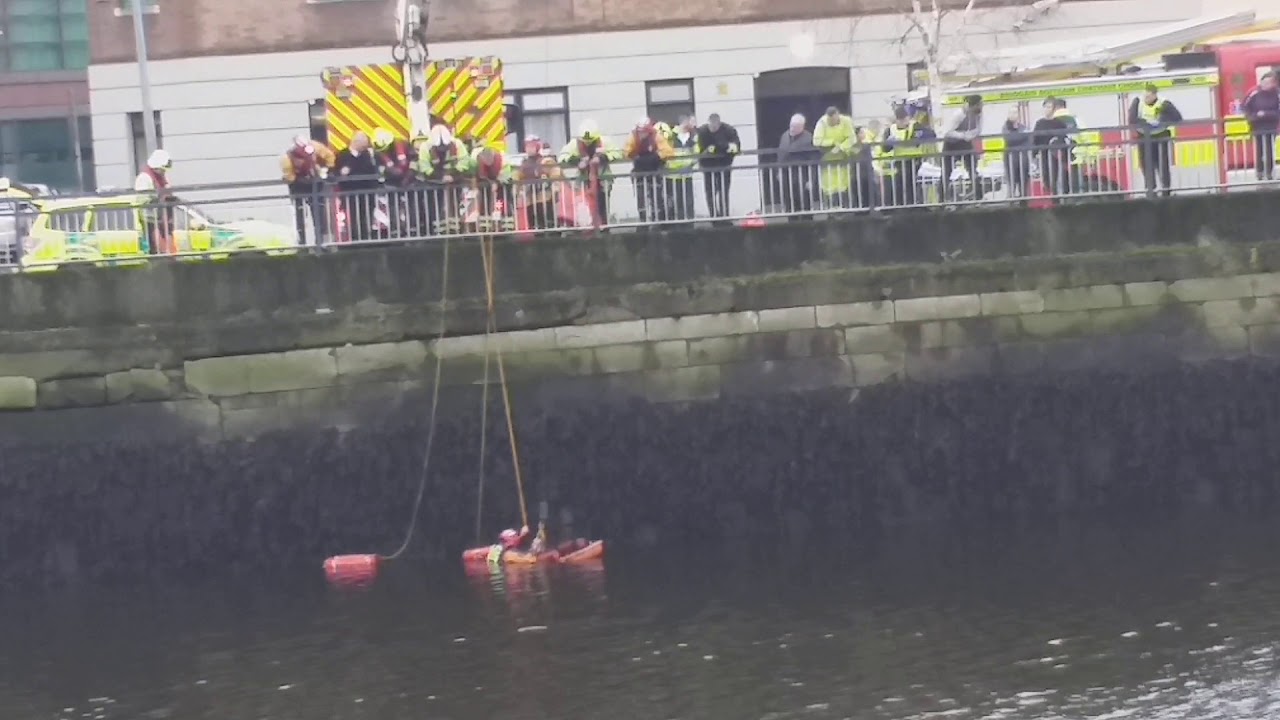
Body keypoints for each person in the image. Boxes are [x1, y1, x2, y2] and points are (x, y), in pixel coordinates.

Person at [558, 120, 620, 228]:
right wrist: (577, 161)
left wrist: (602, 158)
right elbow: (562, 157)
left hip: (602, 180)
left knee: (602, 206)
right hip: (583, 181)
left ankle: (603, 227)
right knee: (583, 206)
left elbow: (617, 153)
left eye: (590, 141)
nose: (587, 143)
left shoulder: (604, 141)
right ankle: (586, 228)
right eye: (585, 141)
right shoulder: (575, 144)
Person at [1128, 83, 1183, 197]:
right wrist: (1143, 122)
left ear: (1154, 95)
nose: (1146, 98)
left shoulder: (1164, 103)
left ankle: (1166, 191)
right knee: (1146, 166)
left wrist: (1163, 119)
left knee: (1162, 165)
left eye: (1148, 96)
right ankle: (1150, 191)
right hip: (1144, 138)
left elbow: (1177, 118)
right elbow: (1131, 119)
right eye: (1145, 96)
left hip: (1160, 136)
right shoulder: (1138, 102)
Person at [281, 136, 335, 246]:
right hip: (311, 184)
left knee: (303, 215)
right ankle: (317, 241)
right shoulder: (315, 147)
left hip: (300, 185)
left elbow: (288, 175)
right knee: (316, 214)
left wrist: (292, 179)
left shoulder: (288, 155)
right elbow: (330, 157)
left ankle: (305, 242)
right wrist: (326, 170)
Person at [416, 124, 467, 234]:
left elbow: (464, 161)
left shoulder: (457, 144)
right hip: (433, 183)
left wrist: (453, 175)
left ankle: (454, 230)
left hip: (454, 181)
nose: (442, 150)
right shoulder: (425, 147)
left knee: (454, 205)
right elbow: (424, 167)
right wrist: (440, 177)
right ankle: (437, 231)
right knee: (434, 207)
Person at [624, 117, 675, 224]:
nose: (641, 134)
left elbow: (669, 152)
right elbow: (626, 152)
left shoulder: (656, 136)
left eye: (643, 132)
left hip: (654, 169)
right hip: (639, 171)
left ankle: (658, 220)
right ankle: (643, 221)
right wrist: (635, 157)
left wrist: (656, 156)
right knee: (641, 198)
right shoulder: (633, 137)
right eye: (639, 132)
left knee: (656, 196)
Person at [333, 131, 381, 241]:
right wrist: (342, 173)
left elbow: (373, 170)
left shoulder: (367, 155)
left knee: (367, 216)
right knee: (353, 218)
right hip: (350, 193)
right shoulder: (342, 155)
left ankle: (366, 238)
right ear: (356, 142)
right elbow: (336, 173)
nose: (366, 146)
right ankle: (355, 239)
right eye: (364, 143)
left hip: (367, 193)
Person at [880, 106, 929, 207]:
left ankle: (914, 205)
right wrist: (889, 142)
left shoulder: (915, 126)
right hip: (899, 161)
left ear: (908, 117)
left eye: (905, 119)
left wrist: (900, 142)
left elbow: (916, 141)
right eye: (900, 120)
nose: (903, 122)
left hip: (914, 160)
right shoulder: (891, 129)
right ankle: (900, 206)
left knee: (910, 184)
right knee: (899, 184)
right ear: (896, 119)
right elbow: (884, 148)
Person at [941, 94, 985, 203]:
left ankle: (978, 197)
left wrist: (970, 135)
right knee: (946, 172)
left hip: (966, 142)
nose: (982, 107)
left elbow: (979, 129)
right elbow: (948, 131)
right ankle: (941, 198)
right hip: (951, 144)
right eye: (980, 104)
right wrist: (963, 135)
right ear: (973, 105)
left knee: (972, 168)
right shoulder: (959, 114)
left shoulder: (979, 115)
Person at [696, 113, 740, 218]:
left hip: (724, 164)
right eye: (711, 127)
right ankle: (713, 216)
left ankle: (724, 215)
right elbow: (699, 150)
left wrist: (730, 148)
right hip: (708, 166)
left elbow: (736, 146)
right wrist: (706, 152)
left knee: (724, 191)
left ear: (719, 124)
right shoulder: (703, 132)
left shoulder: (729, 130)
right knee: (710, 192)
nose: (712, 129)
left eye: (715, 127)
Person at [516, 135, 565, 230]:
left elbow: (556, 173)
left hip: (544, 196)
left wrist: (555, 187)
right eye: (527, 147)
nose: (529, 149)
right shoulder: (524, 163)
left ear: (537, 147)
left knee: (547, 218)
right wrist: (518, 191)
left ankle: (551, 233)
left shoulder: (546, 160)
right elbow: (518, 177)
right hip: (529, 197)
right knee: (532, 220)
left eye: (531, 147)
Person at [1032, 97, 1077, 200]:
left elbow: (1064, 138)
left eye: (1049, 107)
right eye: (1046, 107)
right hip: (1043, 154)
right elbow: (1035, 139)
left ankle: (1055, 198)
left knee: (1055, 177)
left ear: (1053, 109)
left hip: (1055, 155)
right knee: (1046, 178)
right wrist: (1034, 154)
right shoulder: (1039, 123)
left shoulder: (1059, 123)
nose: (1047, 109)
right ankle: (1050, 194)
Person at [776, 113, 818, 213]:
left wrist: (811, 179)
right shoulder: (785, 136)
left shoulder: (808, 138)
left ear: (802, 127)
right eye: (791, 125)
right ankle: (791, 219)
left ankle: (806, 221)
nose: (792, 128)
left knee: (803, 201)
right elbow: (780, 154)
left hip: (801, 174)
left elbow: (813, 160)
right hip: (786, 174)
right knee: (789, 201)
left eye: (795, 126)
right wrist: (778, 171)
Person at [134, 149, 174, 255]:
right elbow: (143, 199)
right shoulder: (144, 178)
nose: (164, 172)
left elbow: (164, 187)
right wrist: (159, 197)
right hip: (149, 217)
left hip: (159, 216)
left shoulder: (159, 176)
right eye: (162, 169)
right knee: (154, 240)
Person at [1243, 72, 1279, 182]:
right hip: (1257, 126)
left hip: (1271, 126)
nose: (1265, 84)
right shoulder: (1254, 93)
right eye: (1264, 82)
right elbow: (1245, 107)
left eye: (1269, 82)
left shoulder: (1277, 94)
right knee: (1259, 150)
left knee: (1270, 151)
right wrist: (1253, 117)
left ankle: (1269, 173)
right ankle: (1259, 173)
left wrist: (1266, 114)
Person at [662, 116, 699, 221]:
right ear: (684, 122)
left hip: (686, 174)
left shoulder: (693, 137)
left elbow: (697, 152)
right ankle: (675, 223)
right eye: (691, 122)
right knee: (675, 201)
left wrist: (691, 163)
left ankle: (689, 222)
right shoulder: (670, 136)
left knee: (688, 200)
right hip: (672, 175)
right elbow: (665, 152)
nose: (693, 125)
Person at [1001, 109, 1033, 203]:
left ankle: (1024, 200)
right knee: (1011, 180)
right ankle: (1011, 201)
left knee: (1023, 179)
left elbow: (1030, 140)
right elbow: (1010, 139)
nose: (1013, 114)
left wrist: (1020, 137)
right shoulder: (1006, 127)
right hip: (1010, 157)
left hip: (1023, 157)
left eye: (1015, 112)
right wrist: (1022, 136)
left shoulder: (1023, 127)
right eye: (1011, 112)